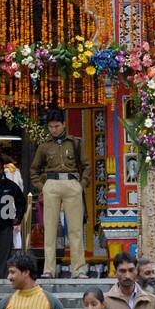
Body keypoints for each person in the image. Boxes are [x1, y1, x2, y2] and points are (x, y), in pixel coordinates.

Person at [29, 109, 91, 278]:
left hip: (72, 183)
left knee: (76, 229)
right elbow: (34, 169)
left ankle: (78, 269)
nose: (54, 129)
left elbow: (86, 165)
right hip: (51, 183)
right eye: (50, 126)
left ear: (64, 124)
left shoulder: (75, 143)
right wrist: (42, 187)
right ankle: (48, 270)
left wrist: (81, 184)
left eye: (56, 126)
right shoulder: (44, 146)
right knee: (49, 228)